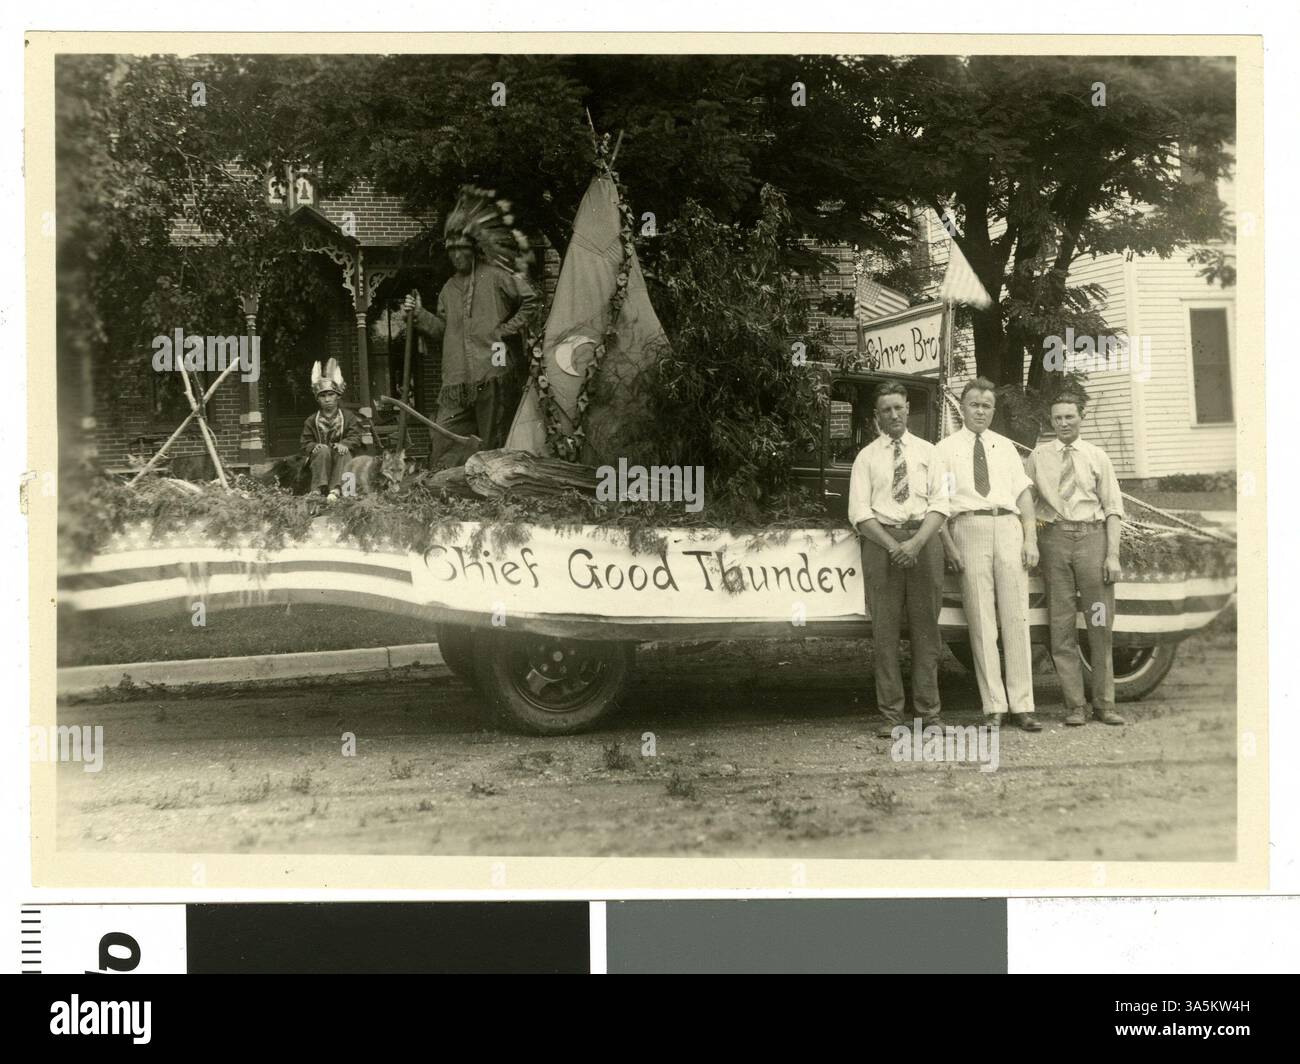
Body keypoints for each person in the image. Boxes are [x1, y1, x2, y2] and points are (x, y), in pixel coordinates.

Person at [935, 378, 1042, 731]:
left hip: (1007, 526)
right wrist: (950, 545)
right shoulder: (945, 449)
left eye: (986, 406)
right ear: (962, 408)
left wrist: (1030, 540)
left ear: (993, 411)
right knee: (981, 621)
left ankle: (1023, 705)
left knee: (1016, 618)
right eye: (974, 404)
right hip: (969, 528)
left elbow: (1023, 496)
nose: (980, 411)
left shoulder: (1005, 448)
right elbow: (937, 504)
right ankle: (994, 705)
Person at [402, 186, 540, 453]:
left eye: (461, 249)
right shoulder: (448, 289)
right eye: (450, 250)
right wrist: (419, 314)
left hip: (492, 370)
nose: (455, 256)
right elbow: (444, 331)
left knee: (492, 442)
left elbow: (531, 300)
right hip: (455, 381)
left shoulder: (497, 276)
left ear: (474, 249)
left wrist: (504, 330)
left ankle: (494, 491)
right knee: (444, 439)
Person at [848, 382, 951, 738]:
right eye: (885, 410)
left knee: (927, 632)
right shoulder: (867, 457)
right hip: (882, 545)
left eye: (898, 408)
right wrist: (894, 545)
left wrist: (916, 543)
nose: (893, 415)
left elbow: (941, 504)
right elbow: (859, 513)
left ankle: (929, 715)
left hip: (924, 542)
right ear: (877, 416)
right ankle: (892, 716)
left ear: (908, 409)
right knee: (885, 633)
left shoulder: (929, 452)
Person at [1027, 392, 1126, 726]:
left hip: (1092, 540)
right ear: (1051, 421)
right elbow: (1026, 501)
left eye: (1069, 416)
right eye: (1057, 418)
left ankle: (1104, 703)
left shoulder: (1097, 456)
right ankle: (1074, 706)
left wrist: (1112, 555)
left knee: (1099, 623)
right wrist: (1032, 539)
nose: (1063, 423)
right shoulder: (1039, 457)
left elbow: (1113, 509)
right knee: (1062, 624)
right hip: (1054, 540)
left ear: (1080, 417)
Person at [300, 358, 364, 502]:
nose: (327, 399)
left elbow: (355, 436)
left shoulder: (348, 417)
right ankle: (318, 489)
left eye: (331, 395)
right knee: (322, 450)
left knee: (343, 453)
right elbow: (305, 442)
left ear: (337, 396)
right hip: (321, 459)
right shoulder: (311, 420)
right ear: (318, 399)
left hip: (342, 457)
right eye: (323, 396)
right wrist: (314, 446)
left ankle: (337, 489)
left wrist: (345, 444)